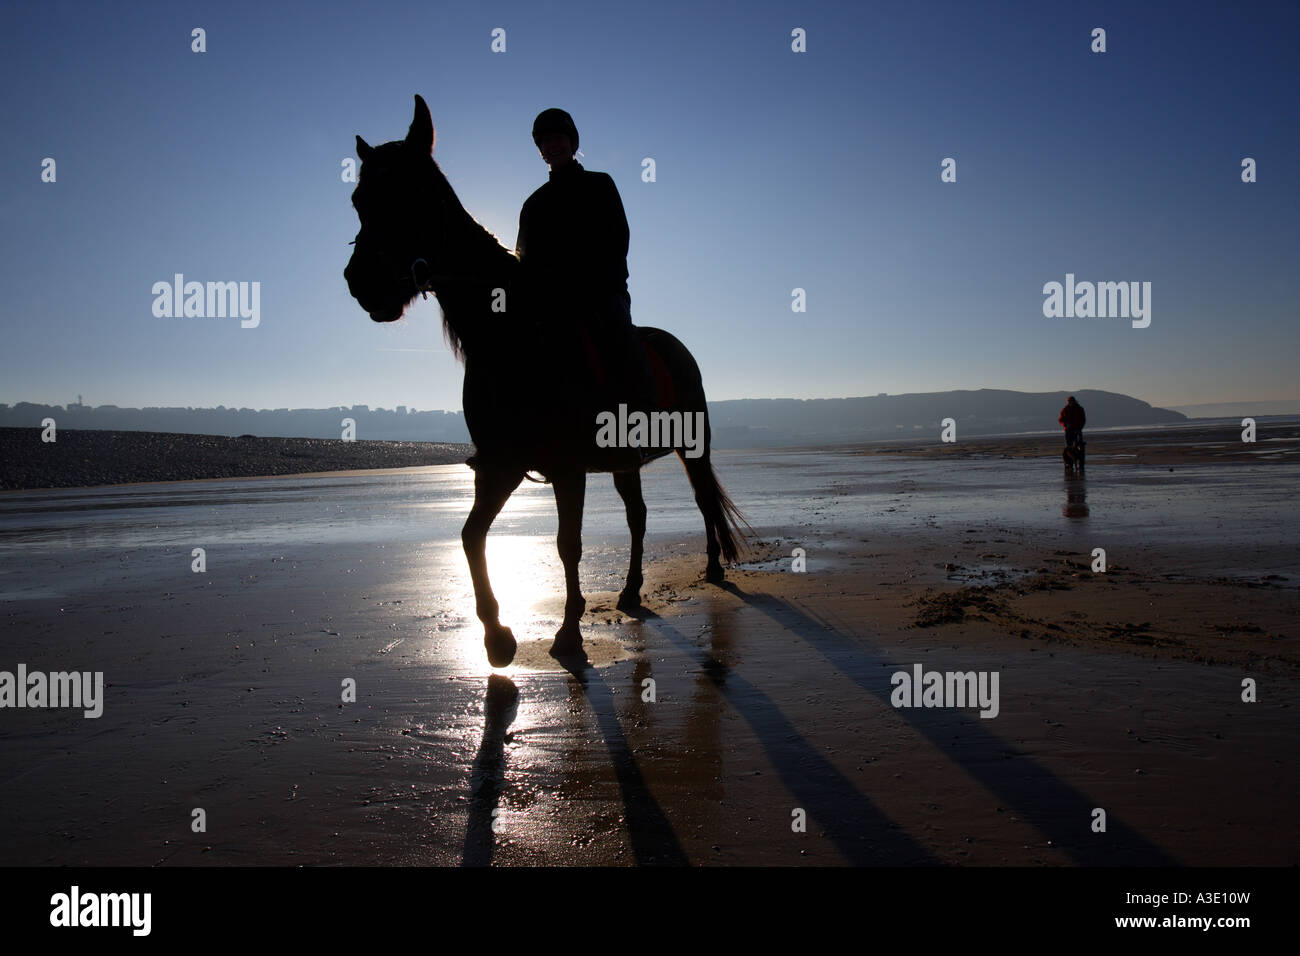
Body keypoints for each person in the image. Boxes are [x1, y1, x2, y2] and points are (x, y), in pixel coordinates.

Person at [515, 108, 651, 416]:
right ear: (540, 151)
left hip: (602, 294)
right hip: (550, 302)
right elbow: (524, 259)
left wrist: (587, 281)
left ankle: (632, 425)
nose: (553, 146)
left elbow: (618, 239)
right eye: (546, 141)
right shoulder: (533, 205)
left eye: (559, 138)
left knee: (619, 342)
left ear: (572, 143)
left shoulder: (600, 185)